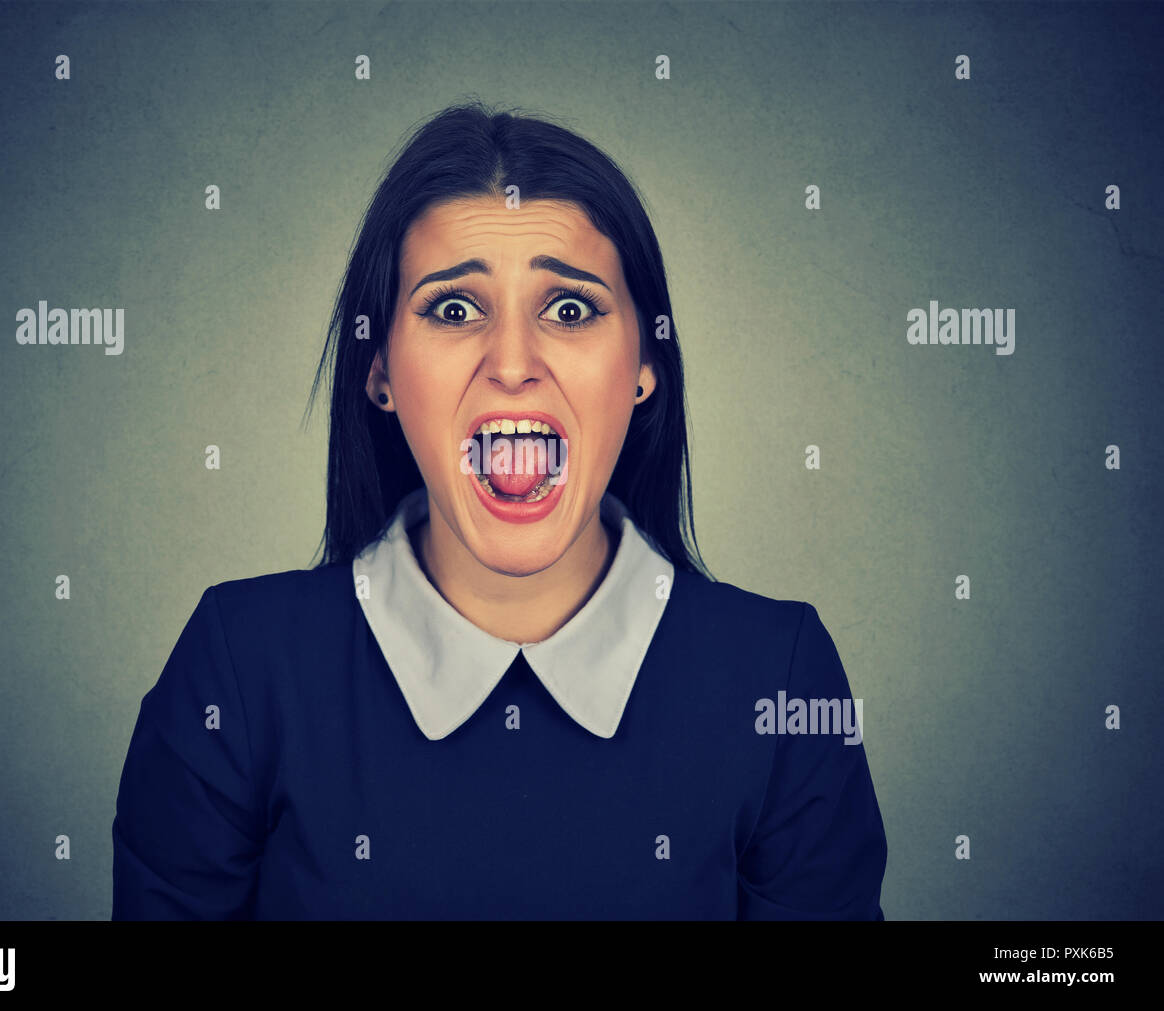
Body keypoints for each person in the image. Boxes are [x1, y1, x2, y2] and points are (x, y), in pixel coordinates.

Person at [111, 100, 887, 919]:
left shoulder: (781, 676)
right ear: (380, 371)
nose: (513, 363)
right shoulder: (237, 669)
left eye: (570, 308)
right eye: (453, 309)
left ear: (643, 367)